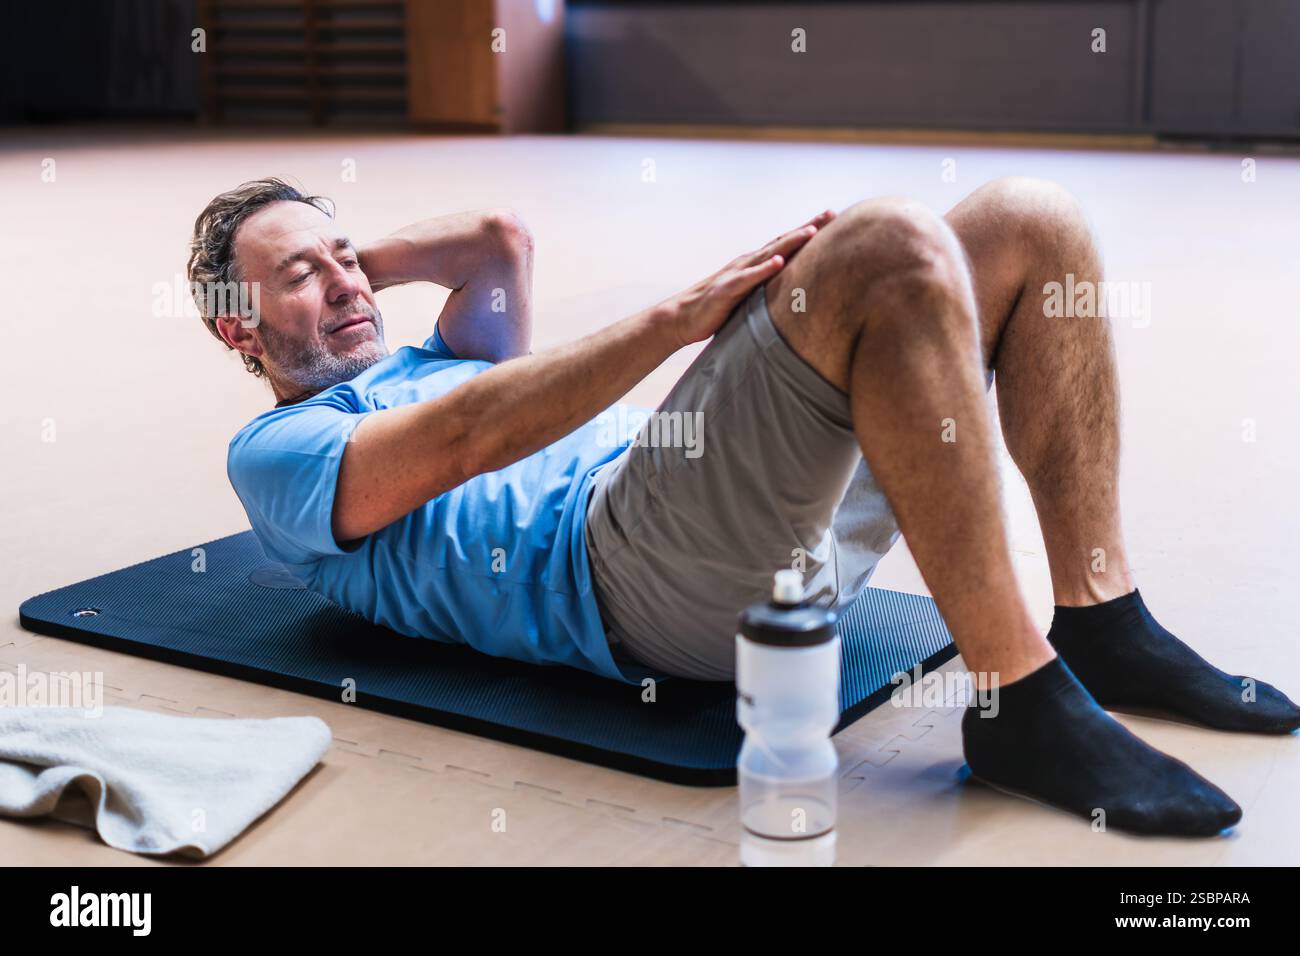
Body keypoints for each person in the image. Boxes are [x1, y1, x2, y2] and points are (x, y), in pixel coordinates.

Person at [189, 176, 1299, 837]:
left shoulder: (438, 351)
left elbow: (497, 238)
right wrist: (676, 316)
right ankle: (1018, 699)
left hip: (729, 522)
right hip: (625, 576)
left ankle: (1099, 617)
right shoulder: (279, 451)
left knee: (1031, 219)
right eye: (299, 279)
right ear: (236, 329)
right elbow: (474, 435)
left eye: (349, 262)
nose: (345, 283)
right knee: (887, 247)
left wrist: (322, 256)